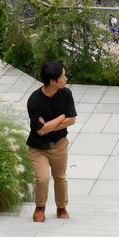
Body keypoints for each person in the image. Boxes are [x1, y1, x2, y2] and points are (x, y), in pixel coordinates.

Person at [27, 61, 77, 221]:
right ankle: (40, 208)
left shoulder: (66, 94)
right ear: (53, 81)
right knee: (42, 179)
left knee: (60, 177)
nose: (66, 78)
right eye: (63, 76)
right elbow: (40, 131)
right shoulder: (34, 100)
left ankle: (61, 208)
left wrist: (49, 125)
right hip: (38, 147)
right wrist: (62, 116)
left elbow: (72, 120)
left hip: (59, 144)